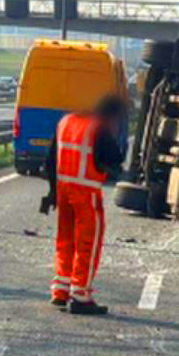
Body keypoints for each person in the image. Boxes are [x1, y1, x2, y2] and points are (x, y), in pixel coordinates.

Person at [42, 95, 126, 315]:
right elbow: (114, 158)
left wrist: (52, 192)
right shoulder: (98, 128)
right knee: (87, 243)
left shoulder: (65, 122)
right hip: (86, 194)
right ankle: (80, 295)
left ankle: (60, 290)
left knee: (65, 240)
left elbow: (49, 161)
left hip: (63, 190)